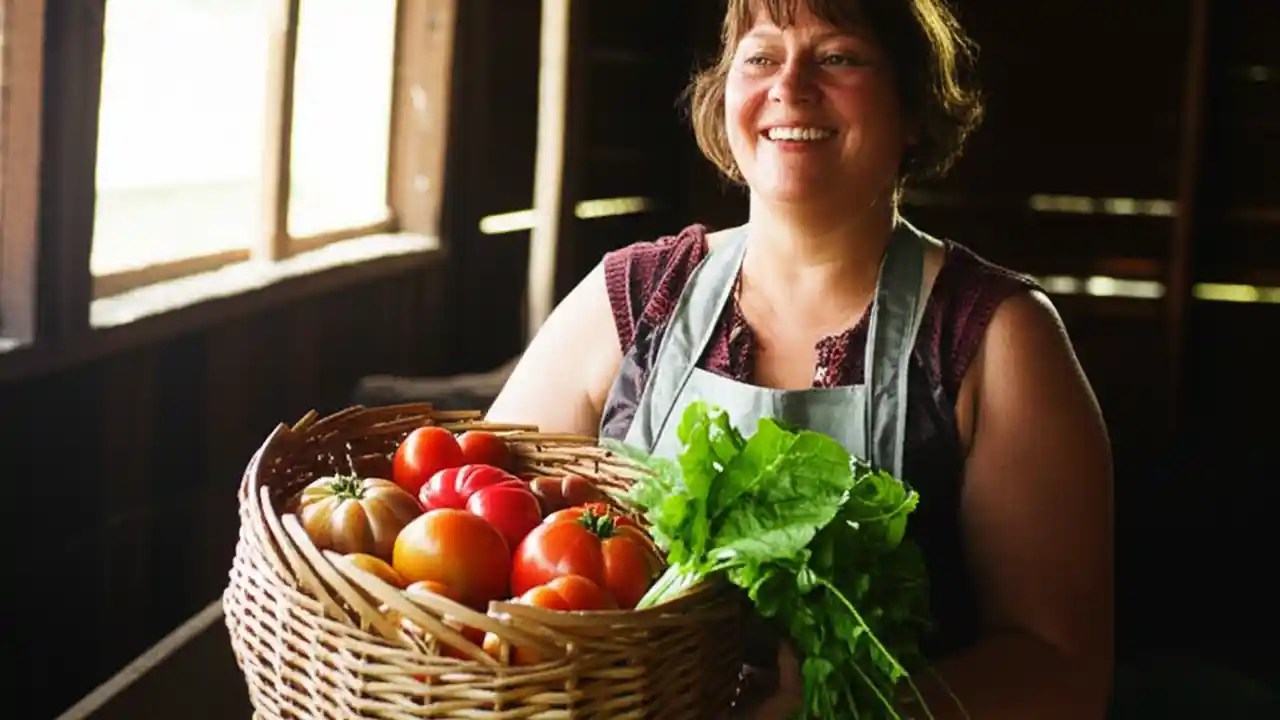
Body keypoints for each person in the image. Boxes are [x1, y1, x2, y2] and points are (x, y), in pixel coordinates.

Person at [485, 0, 1114, 717]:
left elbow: (1063, 671)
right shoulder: (629, 298)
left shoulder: (996, 337)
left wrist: (846, 714)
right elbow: (470, 523)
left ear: (912, 106)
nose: (790, 85)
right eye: (760, 57)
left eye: (838, 56)